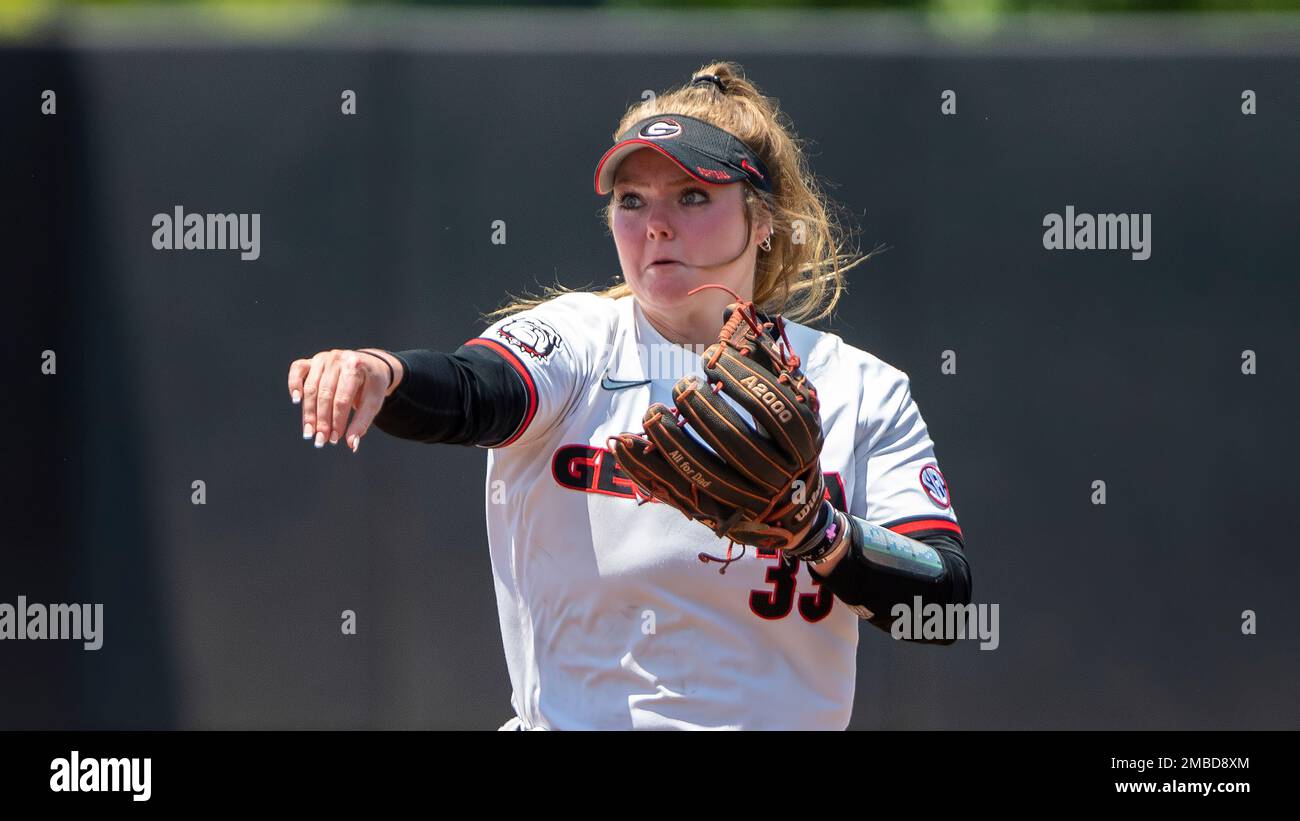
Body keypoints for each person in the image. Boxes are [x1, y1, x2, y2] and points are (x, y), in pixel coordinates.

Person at [286, 63, 970, 730]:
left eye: (693, 195)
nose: (656, 224)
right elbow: (475, 391)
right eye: (632, 200)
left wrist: (816, 531)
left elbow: (945, 603)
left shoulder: (858, 386)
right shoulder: (579, 343)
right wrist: (384, 373)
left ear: (762, 219)